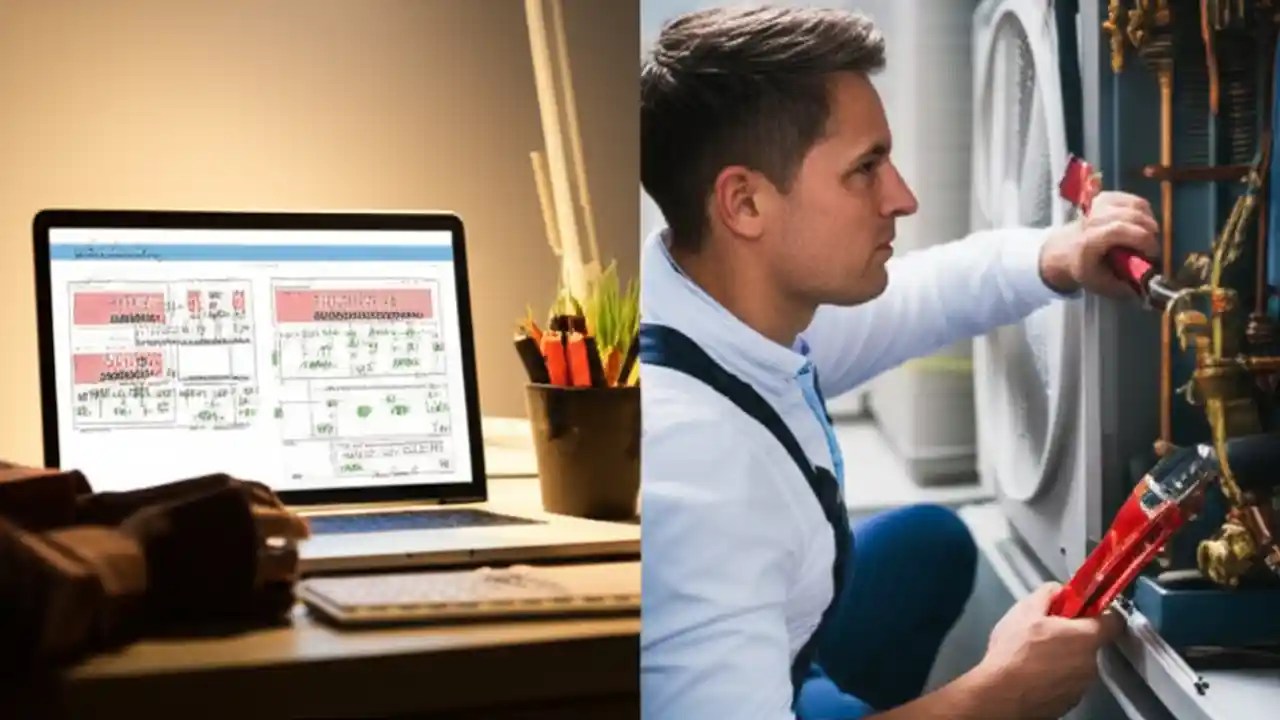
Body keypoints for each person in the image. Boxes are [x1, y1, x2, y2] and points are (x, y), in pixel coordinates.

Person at [638, 5, 1154, 719]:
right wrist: (1002, 694)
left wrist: (1056, 253)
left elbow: (919, 299)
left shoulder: (720, 308)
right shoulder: (698, 465)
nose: (903, 197)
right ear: (744, 202)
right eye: (866, 168)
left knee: (928, 544)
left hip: (781, 657)